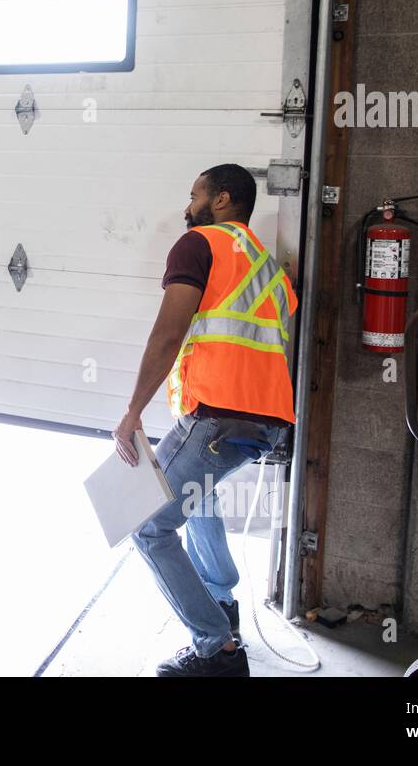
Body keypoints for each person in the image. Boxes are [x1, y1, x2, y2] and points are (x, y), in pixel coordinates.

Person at [113, 163, 298, 676]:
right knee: (202, 497)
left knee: (148, 525)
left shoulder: (199, 246)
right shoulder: (268, 266)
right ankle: (223, 604)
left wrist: (132, 413)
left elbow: (169, 333)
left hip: (219, 415)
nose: (186, 205)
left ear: (220, 199)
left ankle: (215, 648)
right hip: (265, 421)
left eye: (193, 194)